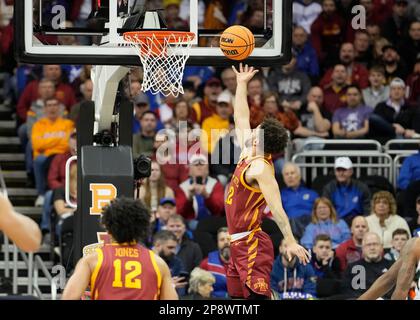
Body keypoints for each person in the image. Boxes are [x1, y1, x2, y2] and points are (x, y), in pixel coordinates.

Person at [225, 64, 309, 300]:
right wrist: (241, 84)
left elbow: (277, 208)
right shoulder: (248, 151)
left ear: (261, 140)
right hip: (237, 242)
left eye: (257, 129)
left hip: (252, 242)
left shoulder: (261, 168)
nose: (252, 129)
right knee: (236, 299)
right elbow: (240, 116)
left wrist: (290, 241)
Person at [62, 197, 178, 300]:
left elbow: (69, 297)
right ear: (143, 227)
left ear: (108, 227)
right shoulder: (158, 263)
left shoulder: (92, 260)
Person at [31, 97, 74, 206]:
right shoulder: (38, 125)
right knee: (39, 160)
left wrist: (47, 142)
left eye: (55, 105)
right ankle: (41, 194)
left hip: (63, 155)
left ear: (59, 108)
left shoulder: (68, 124)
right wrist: (59, 140)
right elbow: (37, 145)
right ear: (44, 109)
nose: (52, 108)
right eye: (49, 105)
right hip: (45, 156)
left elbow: (69, 143)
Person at [176, 153, 224, 227]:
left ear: (207, 168)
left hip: (212, 221)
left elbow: (219, 210)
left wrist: (207, 196)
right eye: (195, 164)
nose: (199, 167)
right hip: (190, 223)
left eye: (202, 164)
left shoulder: (216, 185)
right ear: (190, 170)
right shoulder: (182, 187)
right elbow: (180, 213)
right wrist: (189, 199)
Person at [341, 232, 393, 299]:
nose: (372, 248)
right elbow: (346, 291)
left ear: (381, 246)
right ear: (362, 248)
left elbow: (397, 288)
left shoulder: (392, 266)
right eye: (368, 245)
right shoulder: (352, 268)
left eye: (375, 244)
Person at [322, 157, 371, 224]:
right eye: (338, 170)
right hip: (336, 223)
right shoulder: (329, 188)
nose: (341, 173)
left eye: (344, 170)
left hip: (358, 223)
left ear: (351, 171)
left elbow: (367, 210)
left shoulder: (361, 187)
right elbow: (326, 210)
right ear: (335, 172)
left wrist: (362, 223)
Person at [280, 163, 319, 239]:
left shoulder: (312, 193)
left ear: (299, 175)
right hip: (291, 226)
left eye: (292, 173)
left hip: (311, 224)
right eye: (286, 174)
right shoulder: (280, 195)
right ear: (283, 178)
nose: (290, 176)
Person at [152, 230, 188, 297]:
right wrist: (168, 285)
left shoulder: (176, 262)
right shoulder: (145, 260)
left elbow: (181, 291)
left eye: (175, 248)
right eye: (170, 247)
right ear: (157, 245)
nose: (174, 251)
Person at [199, 227, 230, 298]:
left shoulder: (243, 262)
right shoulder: (207, 263)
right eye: (222, 240)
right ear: (217, 243)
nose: (226, 242)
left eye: (229, 239)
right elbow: (199, 289)